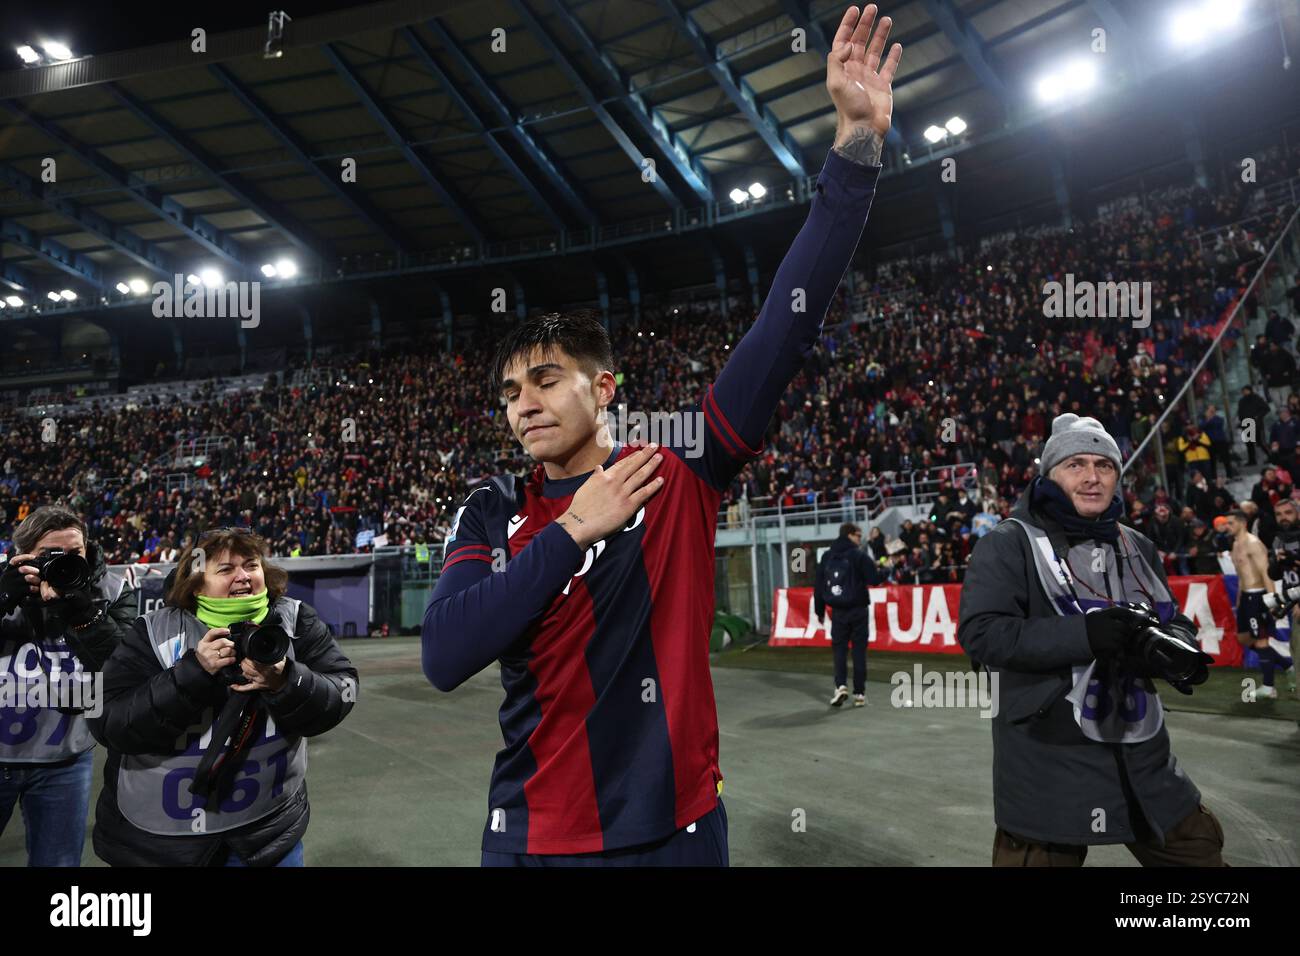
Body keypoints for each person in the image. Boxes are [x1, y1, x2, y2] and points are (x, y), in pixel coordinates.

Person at [421, 4, 903, 866]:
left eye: (544, 380)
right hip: (534, 841)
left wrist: (856, 152)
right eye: (507, 393)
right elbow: (448, 654)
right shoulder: (491, 511)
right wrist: (574, 530)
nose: (522, 405)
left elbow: (782, 330)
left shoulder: (679, 471)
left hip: (677, 836)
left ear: (603, 389)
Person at [958, 414, 1224, 866]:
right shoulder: (1008, 543)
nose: (1091, 478)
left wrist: (1174, 641)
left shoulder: (1137, 544)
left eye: (1104, 466)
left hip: (1143, 756)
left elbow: (1171, 614)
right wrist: (1086, 634)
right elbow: (982, 634)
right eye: (1076, 464)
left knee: (1201, 858)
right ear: (1050, 474)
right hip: (1050, 759)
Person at [88, 528, 358, 865]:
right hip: (162, 846)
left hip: (267, 835)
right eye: (226, 569)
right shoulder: (152, 630)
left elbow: (342, 690)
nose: (243, 577)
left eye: (251, 565)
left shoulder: (295, 619)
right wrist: (192, 674)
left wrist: (287, 680)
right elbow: (109, 721)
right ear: (197, 583)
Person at [0, 506, 137, 866]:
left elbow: (123, 667)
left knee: (58, 864)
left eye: (75, 553)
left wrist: (81, 612)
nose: (64, 562)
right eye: (49, 555)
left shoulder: (112, 588)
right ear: (23, 554)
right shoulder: (4, 580)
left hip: (67, 756)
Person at [1225, 510, 1293, 700]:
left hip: (1259, 596)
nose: (1227, 527)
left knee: (1261, 639)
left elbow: (1266, 573)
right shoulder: (1236, 544)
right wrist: (1239, 601)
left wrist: (1272, 600)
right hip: (1246, 597)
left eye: (1230, 523)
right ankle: (1287, 664)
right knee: (1243, 638)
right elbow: (1241, 576)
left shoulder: (1253, 544)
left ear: (1241, 522)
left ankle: (1269, 686)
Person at [815, 522, 881, 707]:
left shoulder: (828, 556)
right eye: (858, 536)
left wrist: (819, 611)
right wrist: (887, 569)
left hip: (837, 610)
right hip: (858, 608)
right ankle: (859, 693)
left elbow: (819, 585)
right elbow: (874, 580)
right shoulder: (859, 556)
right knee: (859, 651)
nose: (860, 540)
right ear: (850, 535)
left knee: (839, 650)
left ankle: (840, 686)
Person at [1265, 498, 1300, 697]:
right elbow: (1274, 574)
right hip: (1292, 602)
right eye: (1279, 514)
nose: (1283, 518)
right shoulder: (1278, 540)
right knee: (1296, 653)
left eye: (1288, 513)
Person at [1237, 385, 1270, 466]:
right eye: (1243, 391)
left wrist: (1258, 416)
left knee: (1260, 442)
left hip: (1256, 423)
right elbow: (1240, 412)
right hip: (1246, 424)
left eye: (1246, 390)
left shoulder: (1257, 398)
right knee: (1249, 444)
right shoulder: (1242, 401)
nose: (1244, 392)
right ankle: (1252, 460)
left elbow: (1266, 408)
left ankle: (1271, 456)